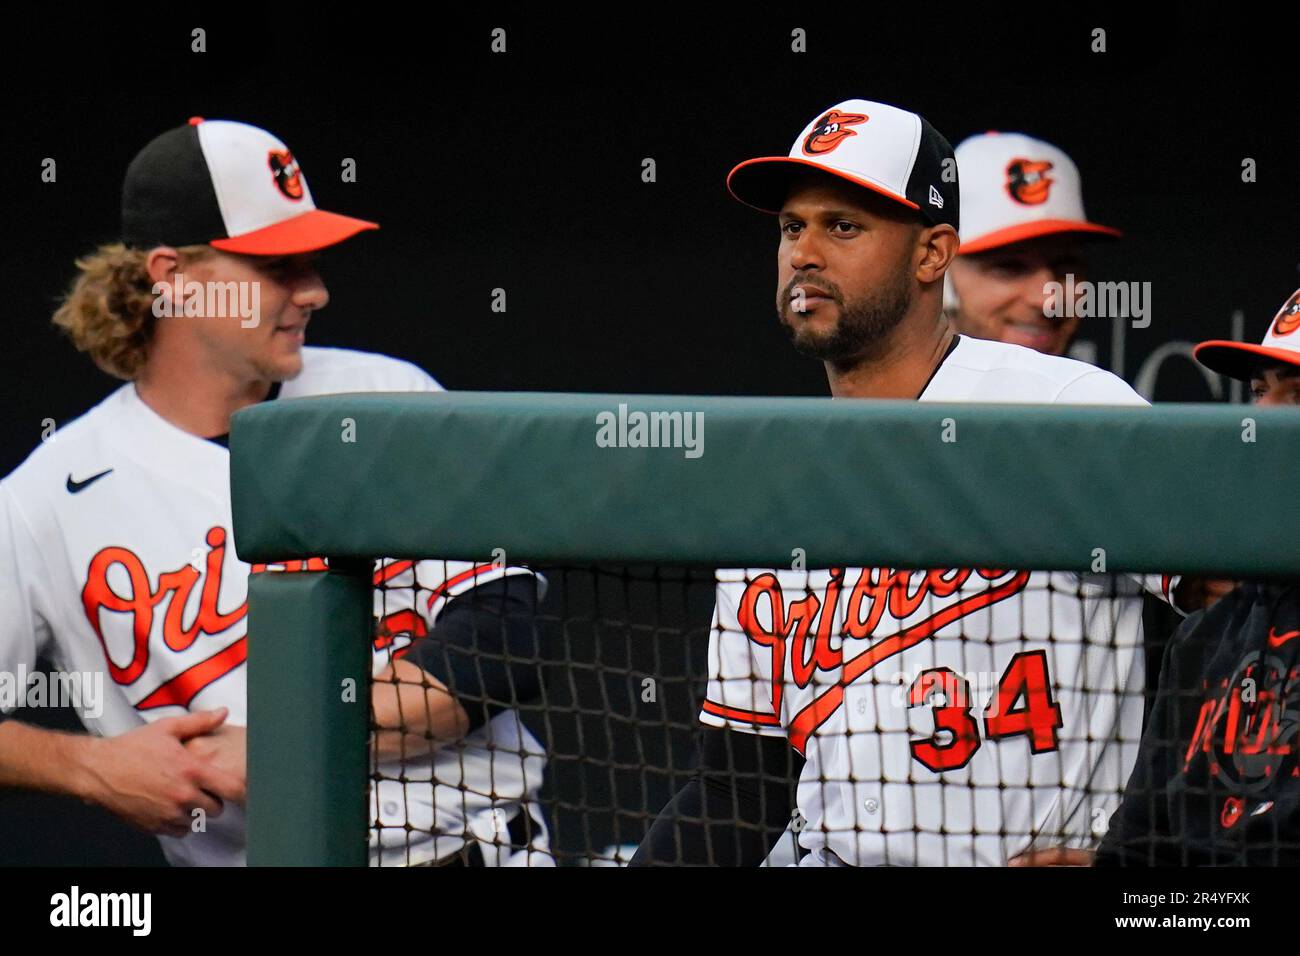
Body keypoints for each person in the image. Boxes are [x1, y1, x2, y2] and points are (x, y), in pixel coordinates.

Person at [632, 98, 1180, 867]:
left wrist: (1148, 860)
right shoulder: (771, 484)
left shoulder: (1068, 413)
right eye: (793, 227)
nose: (805, 253)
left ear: (932, 254)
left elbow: (1250, 627)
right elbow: (739, 789)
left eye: (843, 226)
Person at [0, 117, 552, 867]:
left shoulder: (385, 395)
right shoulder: (44, 502)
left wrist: (279, 747)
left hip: (475, 851)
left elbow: (499, 645)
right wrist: (91, 768)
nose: (315, 290)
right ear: (173, 277)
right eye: (278, 266)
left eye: (312, 261)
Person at [1096, 289, 1300, 866]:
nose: (1261, 420)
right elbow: (1136, 849)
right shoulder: (1208, 636)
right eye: (1260, 392)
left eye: (1299, 396)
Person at [944, 132, 1120, 357]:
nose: (1048, 300)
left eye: (1066, 267)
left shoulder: (1105, 393)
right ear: (942, 273)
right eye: (1010, 267)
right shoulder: (891, 391)